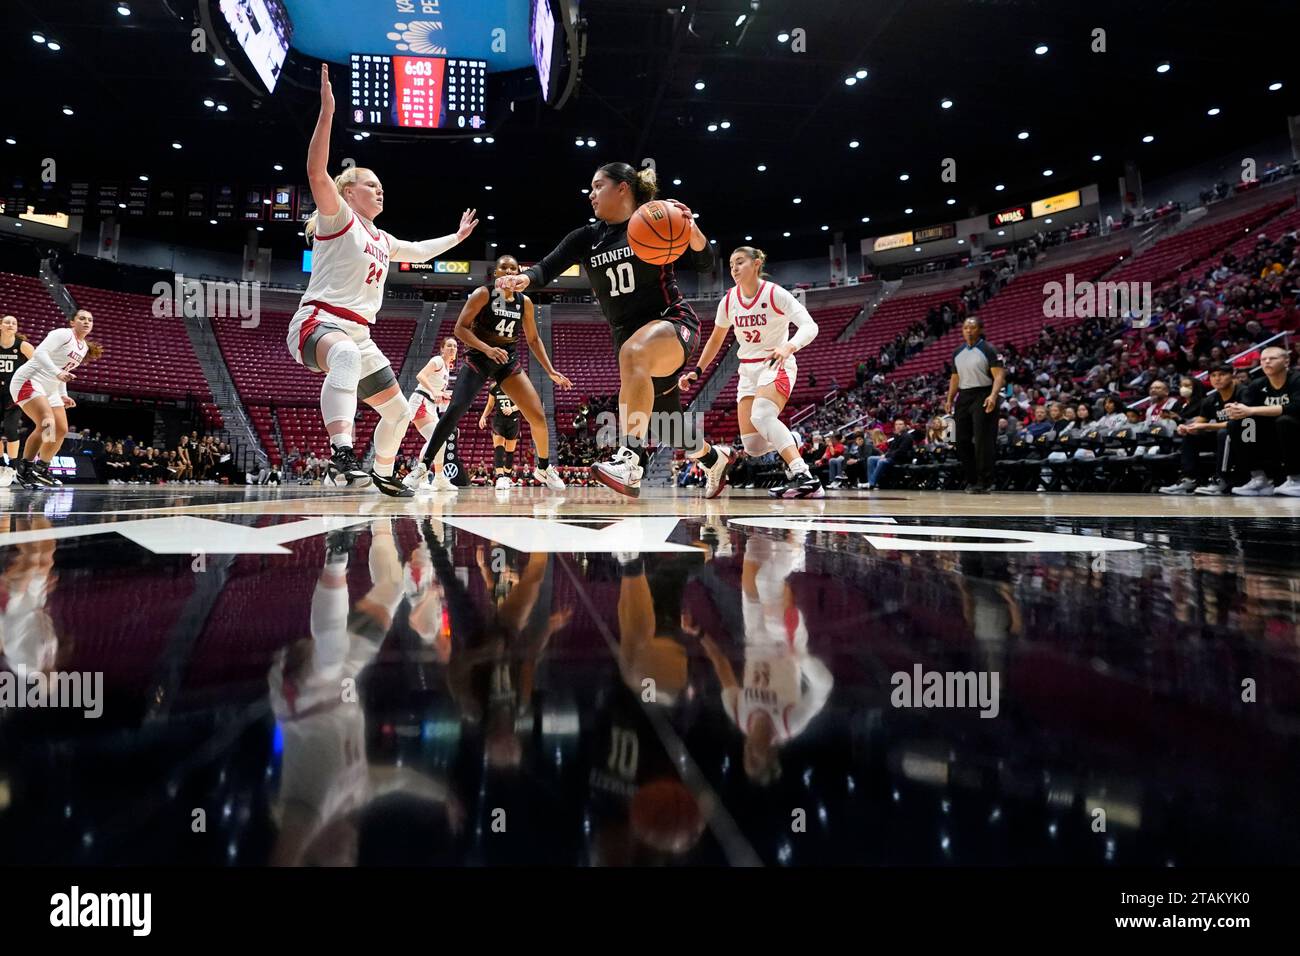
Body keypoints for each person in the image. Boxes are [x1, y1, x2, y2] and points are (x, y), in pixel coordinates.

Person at [290, 64, 478, 497]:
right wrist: (327, 113)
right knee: (346, 359)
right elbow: (317, 173)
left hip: (359, 333)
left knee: (398, 413)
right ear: (348, 192)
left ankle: (383, 470)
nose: (379, 191)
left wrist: (457, 237)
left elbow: (416, 251)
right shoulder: (338, 217)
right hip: (318, 322)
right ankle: (342, 453)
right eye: (370, 185)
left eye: (380, 187)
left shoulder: (382, 237)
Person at [494, 162, 728, 498]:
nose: (591, 194)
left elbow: (705, 263)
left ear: (623, 188)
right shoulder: (586, 238)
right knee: (669, 425)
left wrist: (692, 231)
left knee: (635, 353)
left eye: (598, 185)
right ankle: (714, 459)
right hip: (629, 338)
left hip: (672, 322)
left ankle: (630, 462)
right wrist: (523, 279)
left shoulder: (658, 218)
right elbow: (546, 269)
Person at [416, 255, 571, 491]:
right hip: (479, 357)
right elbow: (460, 329)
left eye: (513, 268)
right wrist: (487, 349)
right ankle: (422, 467)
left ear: (519, 273)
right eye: (503, 267)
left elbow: (533, 339)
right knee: (456, 409)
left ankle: (543, 468)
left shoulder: (525, 302)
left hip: (506, 361)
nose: (508, 271)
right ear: (496, 273)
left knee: (537, 415)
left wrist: (550, 370)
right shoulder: (483, 294)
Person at [682, 247, 821, 498]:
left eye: (740, 262)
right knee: (754, 446)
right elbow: (715, 340)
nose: (733, 268)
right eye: (731, 264)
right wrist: (698, 370)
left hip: (776, 363)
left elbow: (810, 326)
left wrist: (789, 346)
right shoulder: (729, 300)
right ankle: (792, 439)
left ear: (756, 264)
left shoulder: (775, 293)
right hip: (747, 370)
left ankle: (803, 474)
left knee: (762, 415)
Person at [9, 310, 101, 489]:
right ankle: (24, 468)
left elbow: (62, 369)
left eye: (90, 320)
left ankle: (40, 469)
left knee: (60, 429)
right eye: (82, 318)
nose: (86, 322)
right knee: (46, 423)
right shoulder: (63, 334)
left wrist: (63, 393)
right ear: (72, 322)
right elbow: (40, 354)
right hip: (29, 380)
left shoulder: (82, 347)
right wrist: (57, 373)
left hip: (50, 387)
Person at [1224, 345, 1300, 496]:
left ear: (1286, 361)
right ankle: (1259, 479)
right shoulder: (1257, 384)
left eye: (1272, 358)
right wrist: (1235, 409)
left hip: (1294, 429)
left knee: (1284, 421)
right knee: (1241, 424)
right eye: (1263, 359)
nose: (1267, 362)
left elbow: (1296, 407)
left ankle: (1296, 480)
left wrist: (1251, 410)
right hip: (1270, 434)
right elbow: (1245, 409)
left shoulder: (1296, 379)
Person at [1159, 364, 1241, 495]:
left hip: (1247, 436)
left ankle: (1222, 479)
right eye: (1213, 376)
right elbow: (1200, 422)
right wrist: (1187, 428)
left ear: (1232, 375)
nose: (1217, 379)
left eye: (1222, 375)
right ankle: (1189, 479)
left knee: (1225, 433)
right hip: (1222, 438)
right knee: (1192, 435)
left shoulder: (1242, 392)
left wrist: (1205, 426)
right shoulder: (1210, 400)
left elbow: (1238, 423)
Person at [944, 317, 1004, 494]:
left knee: (982, 440)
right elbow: (955, 378)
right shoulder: (957, 352)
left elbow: (999, 376)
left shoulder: (989, 349)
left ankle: (985, 481)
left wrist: (993, 396)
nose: (968, 331)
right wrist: (949, 399)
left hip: (984, 394)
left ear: (980, 330)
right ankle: (971, 479)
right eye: (965, 328)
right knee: (960, 439)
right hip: (964, 395)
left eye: (972, 327)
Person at [402, 337, 459, 492]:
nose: (452, 348)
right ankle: (422, 477)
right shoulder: (438, 361)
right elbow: (420, 376)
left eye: (455, 346)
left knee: (441, 441)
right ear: (442, 348)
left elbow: (436, 388)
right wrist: (434, 391)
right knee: (435, 438)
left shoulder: (448, 367)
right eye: (449, 345)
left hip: (431, 405)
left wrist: (443, 395)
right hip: (420, 400)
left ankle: (438, 478)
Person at [0, 315, 35, 485]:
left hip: (14, 394)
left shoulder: (23, 346)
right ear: (0, 325)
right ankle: (1, 465)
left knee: (10, 428)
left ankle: (13, 467)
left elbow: (39, 364)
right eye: (7, 322)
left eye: (14, 322)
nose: (11, 325)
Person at [479, 383, 523, 490]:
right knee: (498, 448)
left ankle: (507, 477)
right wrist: (483, 416)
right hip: (499, 420)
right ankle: (500, 477)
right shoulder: (494, 387)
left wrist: (512, 409)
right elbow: (490, 405)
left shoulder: (517, 384)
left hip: (513, 421)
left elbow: (523, 403)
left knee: (510, 451)